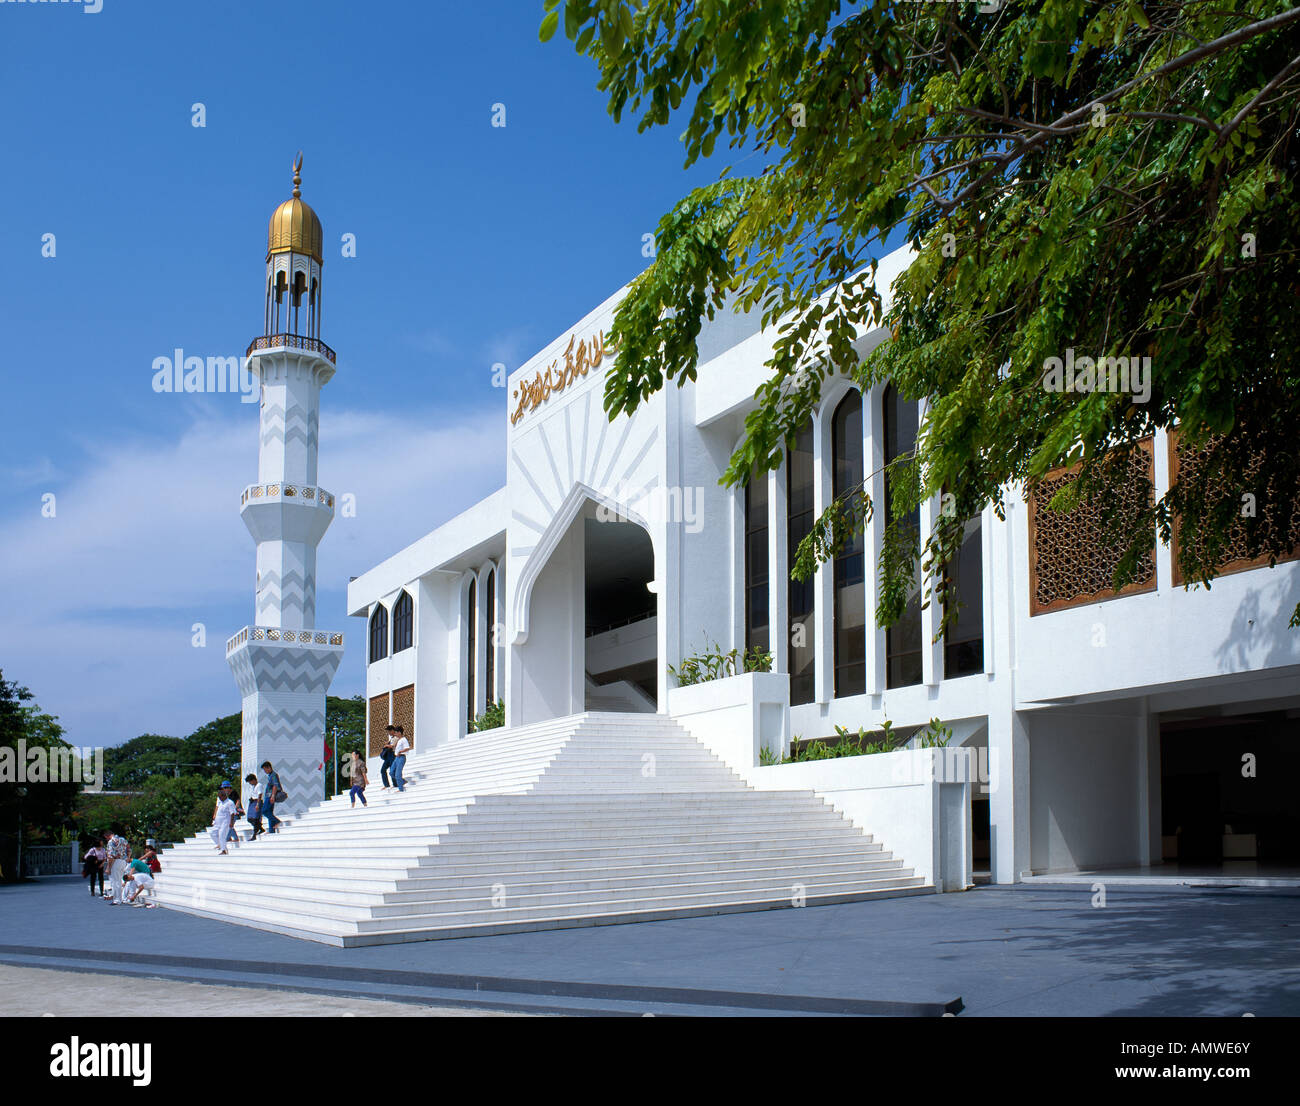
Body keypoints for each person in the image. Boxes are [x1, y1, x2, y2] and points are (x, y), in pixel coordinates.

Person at [208, 781, 238, 854]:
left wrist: (231, 822)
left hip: (225, 822)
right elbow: (217, 808)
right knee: (212, 833)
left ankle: (224, 850)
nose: (219, 798)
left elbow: (232, 814)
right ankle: (221, 845)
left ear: (224, 796)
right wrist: (214, 818)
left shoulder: (230, 803)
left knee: (222, 835)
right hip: (218, 822)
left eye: (221, 796)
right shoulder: (220, 803)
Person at [105, 825, 131, 905]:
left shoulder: (110, 842)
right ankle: (119, 898)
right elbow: (129, 849)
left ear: (107, 836)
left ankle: (117, 899)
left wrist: (108, 868)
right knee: (119, 880)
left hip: (115, 862)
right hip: (123, 861)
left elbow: (111, 855)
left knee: (115, 881)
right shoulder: (123, 839)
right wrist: (128, 858)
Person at [261, 761, 284, 833]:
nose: (265, 771)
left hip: (270, 796)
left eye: (265, 769)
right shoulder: (270, 775)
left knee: (264, 811)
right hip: (269, 795)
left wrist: (273, 796)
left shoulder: (273, 775)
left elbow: (275, 786)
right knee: (269, 812)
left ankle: (277, 821)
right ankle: (271, 830)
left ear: (269, 767)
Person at [390, 725, 410, 792]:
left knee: (398, 774)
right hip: (396, 758)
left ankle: (401, 789)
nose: (395, 734)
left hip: (401, 758)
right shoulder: (399, 740)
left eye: (396, 732)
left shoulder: (404, 740)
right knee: (391, 772)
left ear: (399, 732)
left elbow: (407, 748)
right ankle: (402, 781)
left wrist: (401, 751)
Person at [245, 773, 265, 839]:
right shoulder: (254, 786)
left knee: (256, 818)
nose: (250, 783)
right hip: (252, 802)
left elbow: (259, 795)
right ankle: (260, 828)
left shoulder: (259, 785)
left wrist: (257, 804)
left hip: (257, 802)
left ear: (253, 780)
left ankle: (254, 835)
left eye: (250, 781)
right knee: (250, 818)